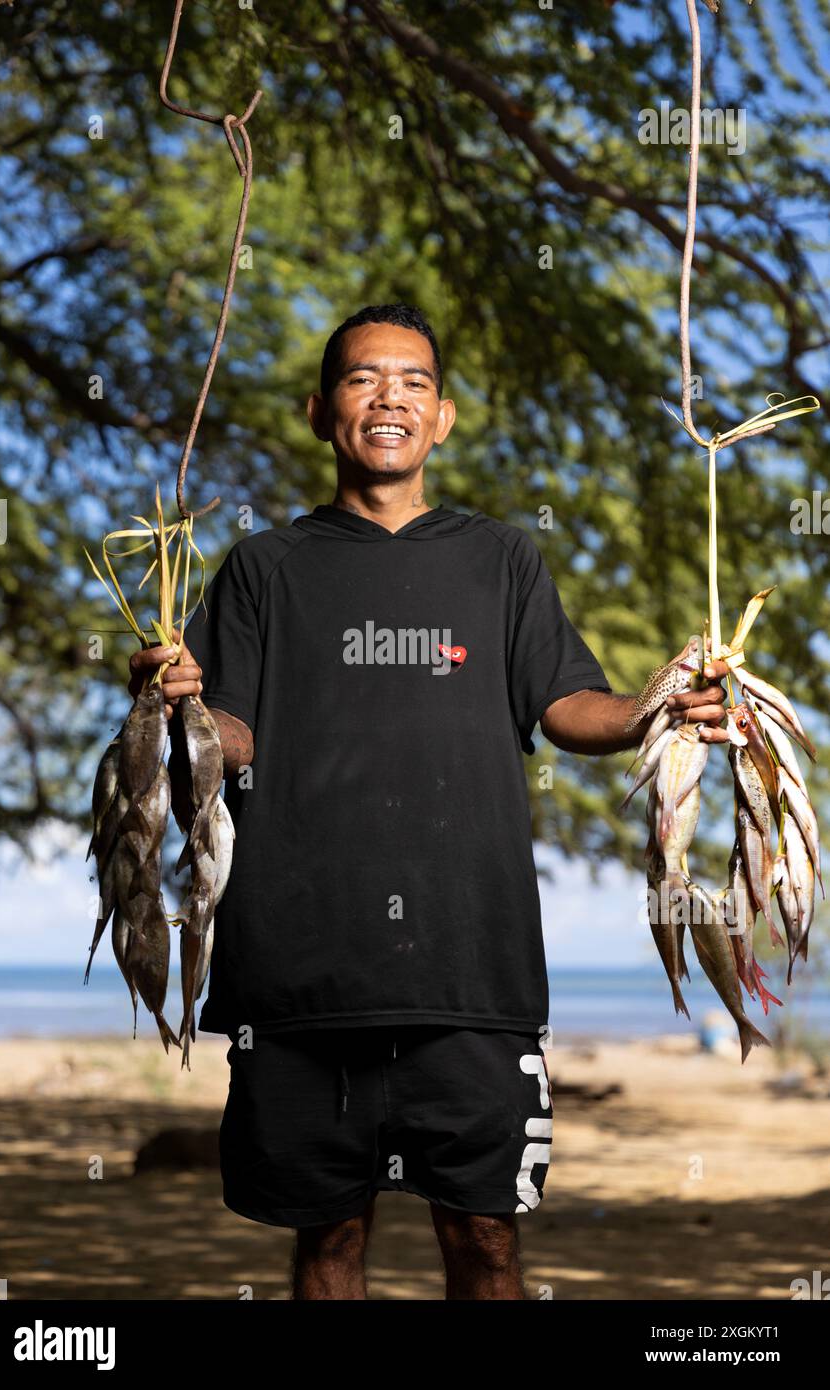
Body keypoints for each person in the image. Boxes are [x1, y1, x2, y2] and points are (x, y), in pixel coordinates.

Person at [129, 303, 729, 1299]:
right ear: (320, 411)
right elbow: (229, 738)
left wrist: (652, 709)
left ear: (441, 417)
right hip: (297, 972)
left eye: (411, 381)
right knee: (326, 1243)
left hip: (472, 971)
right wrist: (172, 703)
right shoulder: (261, 569)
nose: (389, 397)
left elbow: (565, 703)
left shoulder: (501, 560)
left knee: (485, 1242)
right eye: (364, 379)